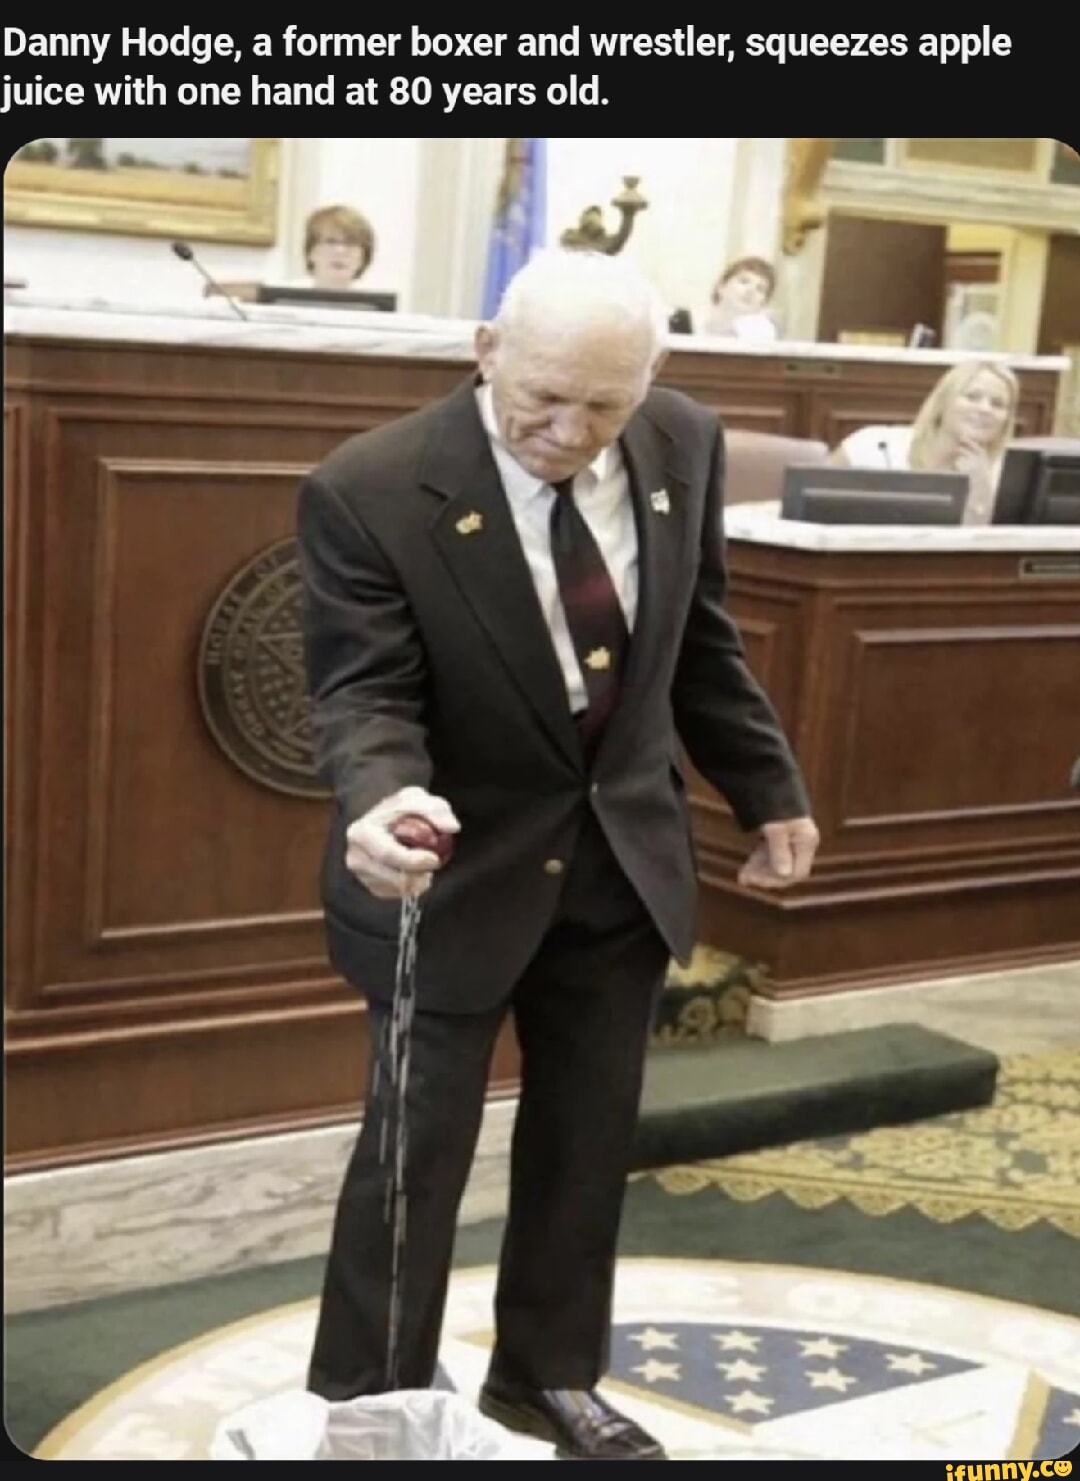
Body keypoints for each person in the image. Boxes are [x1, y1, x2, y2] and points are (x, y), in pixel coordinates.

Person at [296, 248, 819, 1461]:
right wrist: (381, 799)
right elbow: (365, 694)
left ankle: (547, 1376)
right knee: (412, 1157)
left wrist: (767, 788)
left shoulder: (683, 440)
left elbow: (700, 639)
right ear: (487, 350)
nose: (571, 432)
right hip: (448, 866)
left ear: (651, 382)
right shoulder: (370, 487)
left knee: (587, 1140)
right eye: (543, 397)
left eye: (604, 404)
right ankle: (375, 1404)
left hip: (619, 857)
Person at [828, 359, 1019, 525]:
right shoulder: (875, 445)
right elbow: (815, 502)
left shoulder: (1007, 475)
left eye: (998, 404)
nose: (985, 409)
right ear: (943, 403)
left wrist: (980, 492)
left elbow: (989, 548)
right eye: (972, 397)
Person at [702, 255, 779, 344]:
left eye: (760, 289)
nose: (751, 290)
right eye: (744, 281)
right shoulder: (699, 323)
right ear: (721, 287)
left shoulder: (762, 331)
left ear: (764, 303)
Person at [302, 203, 376, 292]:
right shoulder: (288, 298)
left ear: (364, 257)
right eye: (330, 241)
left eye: (350, 243)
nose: (340, 251)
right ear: (311, 251)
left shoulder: (378, 300)